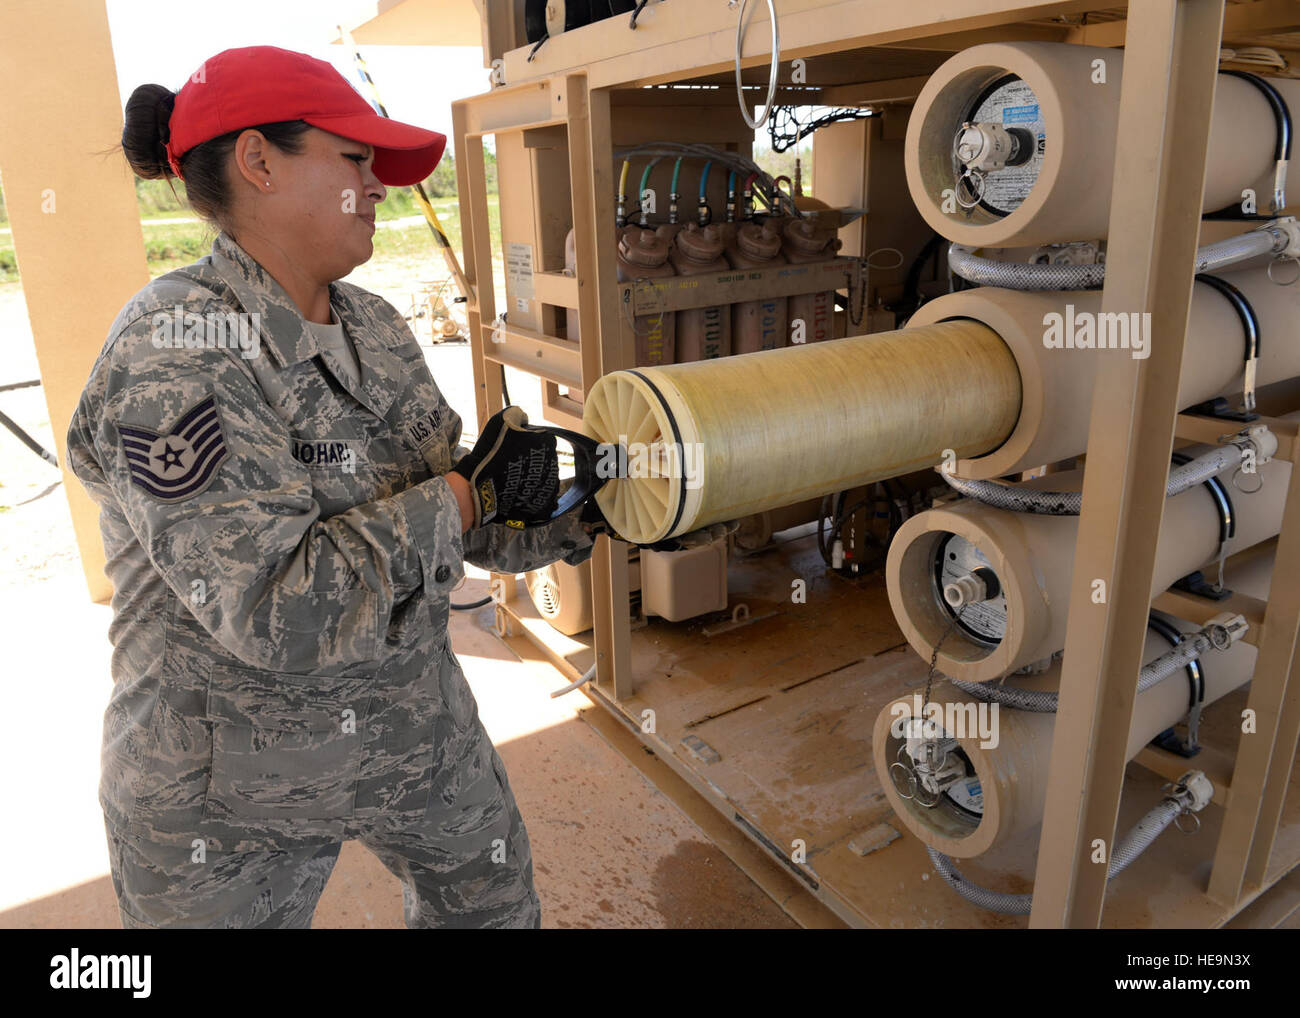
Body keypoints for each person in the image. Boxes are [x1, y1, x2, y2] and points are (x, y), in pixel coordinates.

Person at [65, 45, 606, 929]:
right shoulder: (174, 351)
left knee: (494, 909)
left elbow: (451, 509)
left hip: (411, 732)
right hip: (229, 793)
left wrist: (592, 504)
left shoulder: (373, 325)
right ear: (259, 161)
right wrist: (470, 495)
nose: (379, 185)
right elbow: (279, 606)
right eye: (355, 160)